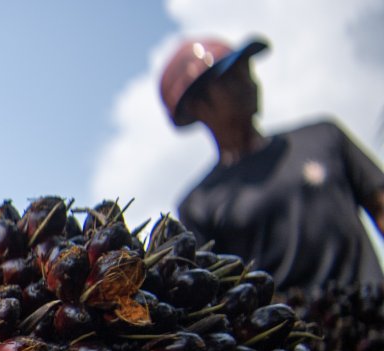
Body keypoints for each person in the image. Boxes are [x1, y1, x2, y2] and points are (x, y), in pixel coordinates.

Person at [160, 36, 384, 291]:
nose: (249, 83)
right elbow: (214, 293)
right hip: (292, 328)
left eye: (247, 71)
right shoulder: (199, 205)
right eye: (231, 79)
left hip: (375, 316)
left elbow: (380, 206)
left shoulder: (323, 137)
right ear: (197, 105)